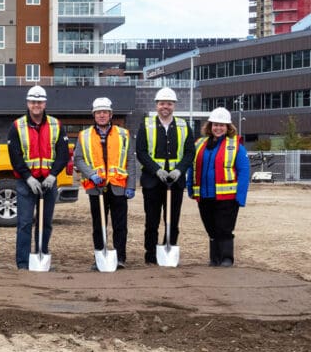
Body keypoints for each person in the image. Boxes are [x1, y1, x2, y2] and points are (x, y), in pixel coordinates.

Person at [7, 85, 70, 270]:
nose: (36, 105)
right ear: (28, 103)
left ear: (45, 103)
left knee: (45, 223)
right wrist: (28, 177)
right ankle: (23, 262)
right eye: (33, 101)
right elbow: (15, 155)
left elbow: (63, 154)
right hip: (27, 183)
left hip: (49, 182)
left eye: (39, 101)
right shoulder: (17, 126)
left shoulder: (56, 125)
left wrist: (52, 175)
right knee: (25, 223)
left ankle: (42, 253)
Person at [74, 97, 135, 270]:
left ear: (111, 114)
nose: (102, 115)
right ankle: (100, 255)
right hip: (96, 187)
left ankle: (120, 257)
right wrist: (91, 174)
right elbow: (78, 159)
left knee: (120, 225)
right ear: (94, 115)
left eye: (105, 112)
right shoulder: (84, 135)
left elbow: (130, 159)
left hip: (118, 186)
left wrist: (130, 186)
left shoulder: (123, 134)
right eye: (98, 112)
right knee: (98, 224)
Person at [136, 87, 195, 265]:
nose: (165, 107)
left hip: (175, 182)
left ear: (174, 105)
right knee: (151, 221)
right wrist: (156, 170)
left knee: (172, 219)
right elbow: (141, 151)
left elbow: (190, 152)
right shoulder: (146, 124)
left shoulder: (184, 126)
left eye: (169, 103)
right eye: (162, 103)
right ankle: (151, 254)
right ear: (156, 105)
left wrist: (179, 170)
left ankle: (169, 246)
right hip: (153, 181)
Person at [187, 107, 250, 267]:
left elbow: (244, 172)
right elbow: (191, 167)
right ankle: (214, 258)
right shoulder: (199, 144)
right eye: (215, 124)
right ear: (210, 126)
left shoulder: (236, 145)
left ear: (228, 127)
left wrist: (240, 198)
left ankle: (226, 258)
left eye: (222, 125)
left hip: (227, 197)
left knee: (224, 229)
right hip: (204, 195)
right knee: (211, 228)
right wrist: (190, 188)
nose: (218, 128)